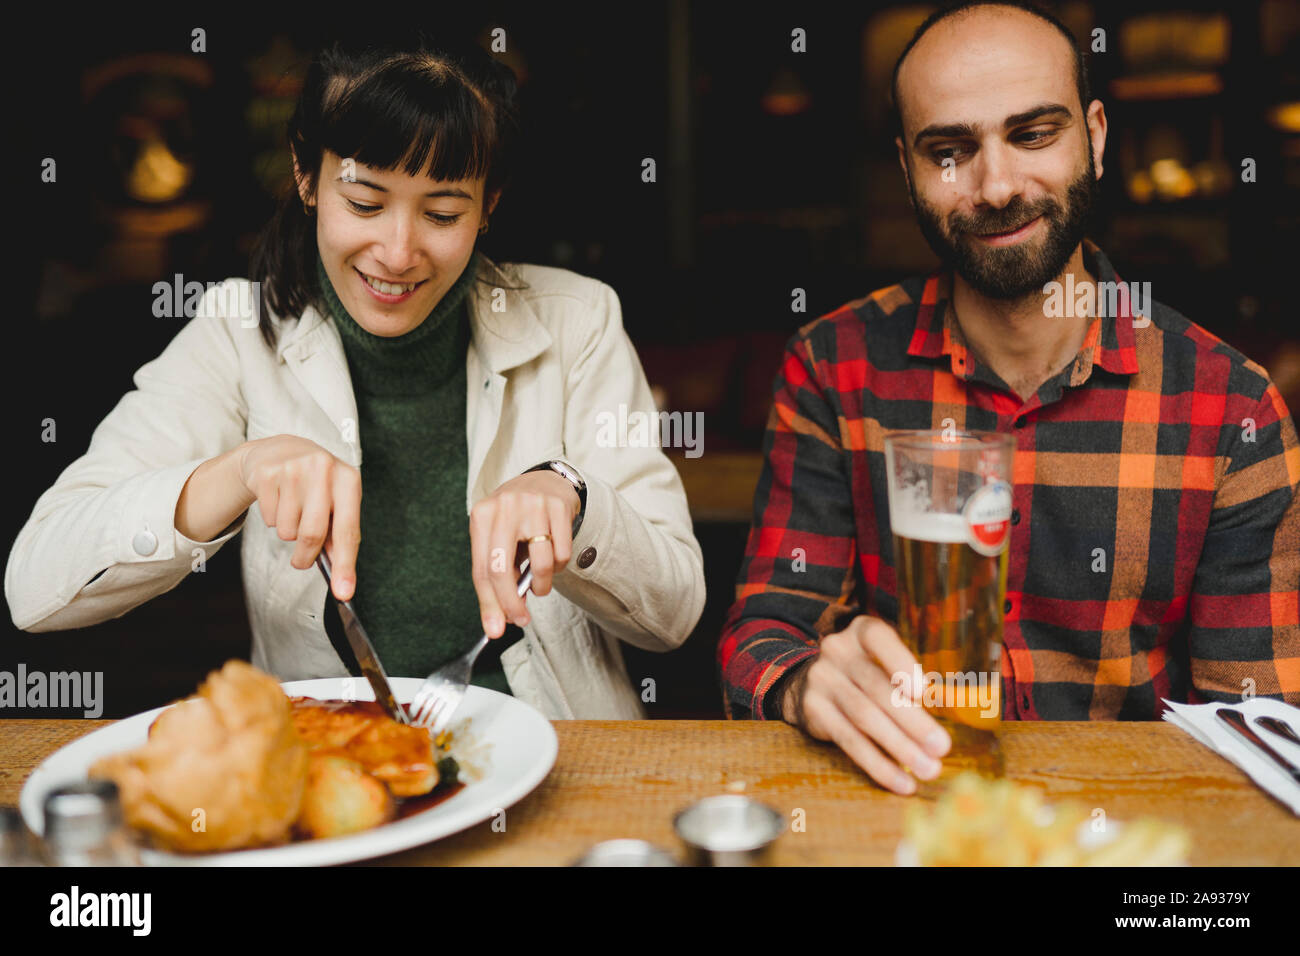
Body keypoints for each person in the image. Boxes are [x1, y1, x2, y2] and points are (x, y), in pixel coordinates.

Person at [6, 35, 705, 719]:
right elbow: (36, 589)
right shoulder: (235, 331)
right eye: (365, 204)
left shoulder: (577, 322)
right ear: (306, 178)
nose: (397, 253)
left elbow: (673, 617)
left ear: (489, 205)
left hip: (555, 749)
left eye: (442, 213)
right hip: (327, 770)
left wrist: (574, 497)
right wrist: (240, 470)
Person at [719, 0, 1299, 793]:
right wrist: (801, 683)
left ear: (1094, 137)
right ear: (907, 168)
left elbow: (1257, 731)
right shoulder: (834, 366)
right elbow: (764, 630)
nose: (996, 186)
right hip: (906, 817)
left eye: (1033, 134)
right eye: (950, 150)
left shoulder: (1232, 410)